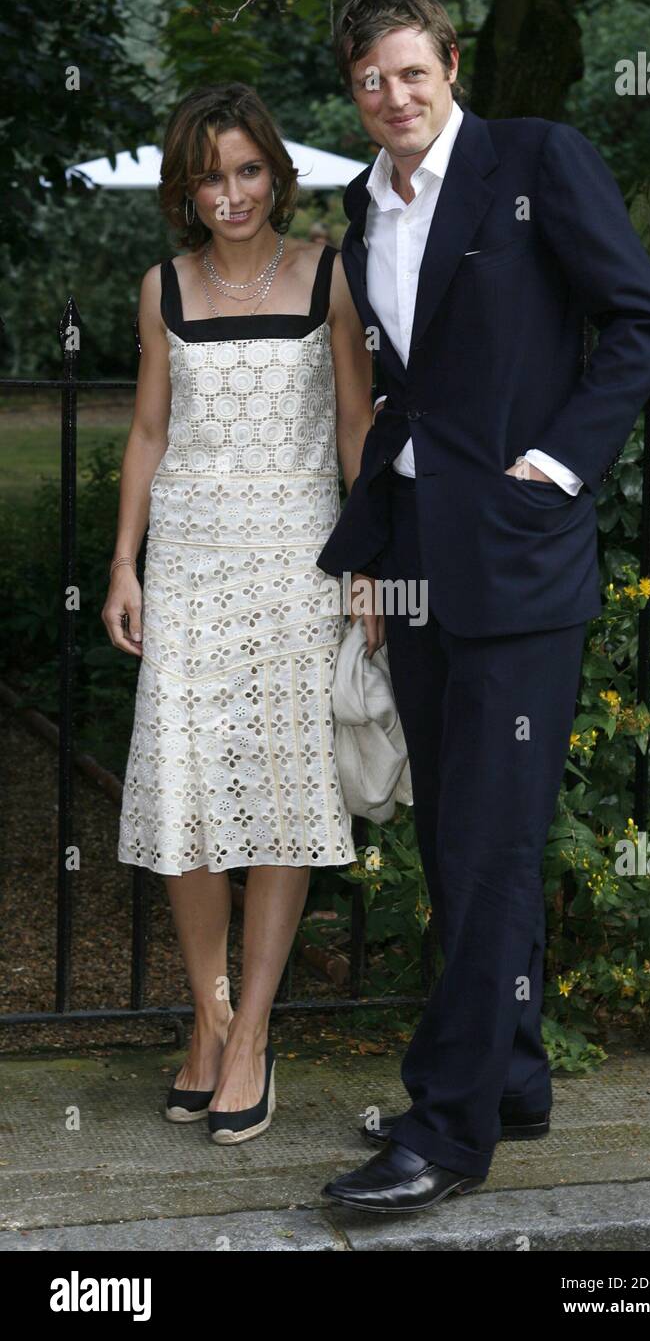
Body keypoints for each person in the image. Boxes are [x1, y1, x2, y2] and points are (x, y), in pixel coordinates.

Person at [316, 0, 650, 1212]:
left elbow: (638, 324)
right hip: (417, 555)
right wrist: (373, 549)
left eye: (410, 72)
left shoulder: (536, 159)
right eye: (369, 80)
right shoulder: (363, 210)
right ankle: (513, 1077)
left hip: (520, 558)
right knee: (449, 837)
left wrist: (558, 466)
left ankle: (445, 1128)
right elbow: (399, 390)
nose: (392, 97)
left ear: (450, 64)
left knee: (484, 848)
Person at [101, 82, 375, 1145]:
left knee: (279, 797)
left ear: (276, 171)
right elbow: (146, 433)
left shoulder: (328, 275)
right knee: (187, 806)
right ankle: (208, 1017)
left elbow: (357, 426)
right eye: (209, 176)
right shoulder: (161, 287)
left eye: (247, 170)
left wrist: (366, 564)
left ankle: (253, 1033)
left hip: (297, 573)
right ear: (187, 188)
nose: (230, 193)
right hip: (189, 569)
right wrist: (124, 564)